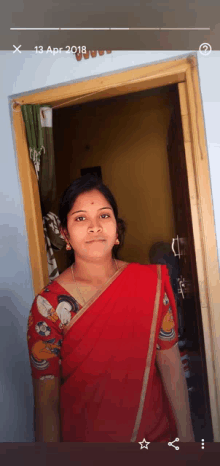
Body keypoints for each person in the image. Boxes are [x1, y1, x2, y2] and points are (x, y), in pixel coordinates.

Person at [27, 175, 195, 443]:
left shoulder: (149, 284)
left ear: (116, 228)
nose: (95, 227)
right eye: (80, 218)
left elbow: (171, 364)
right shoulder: (48, 307)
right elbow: (46, 404)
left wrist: (187, 441)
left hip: (155, 440)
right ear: (65, 234)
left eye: (104, 216)